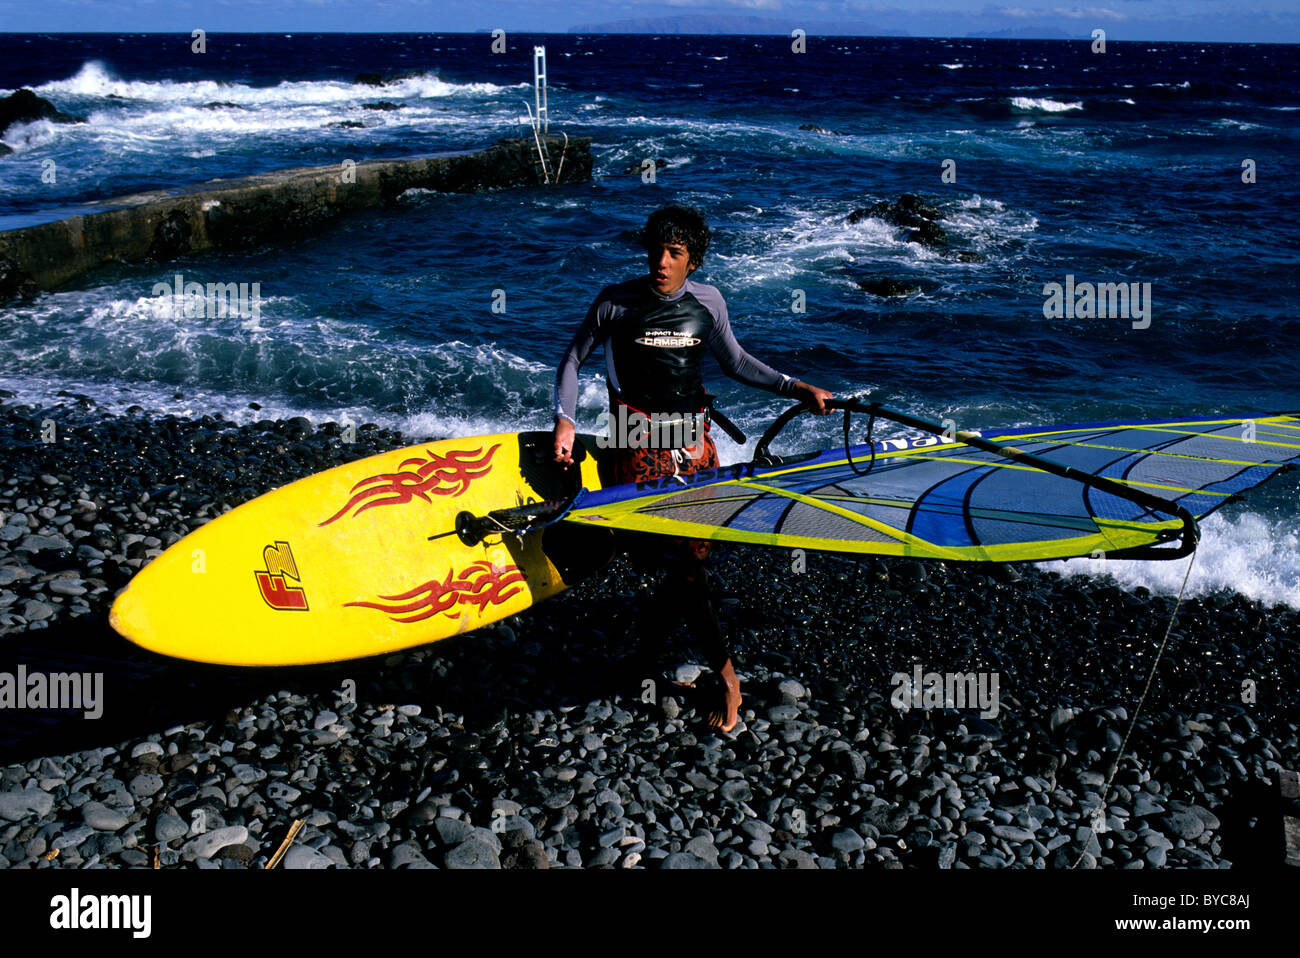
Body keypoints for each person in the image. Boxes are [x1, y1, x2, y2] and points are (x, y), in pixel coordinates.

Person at [552, 204, 832, 732]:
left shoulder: (710, 303)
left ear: (693, 261)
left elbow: (738, 362)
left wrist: (798, 387)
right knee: (674, 564)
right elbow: (572, 360)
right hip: (633, 447)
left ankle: (670, 669)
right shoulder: (616, 303)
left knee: (687, 563)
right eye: (656, 250)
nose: (661, 261)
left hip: (694, 446)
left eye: (674, 254)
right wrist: (565, 421)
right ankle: (721, 677)